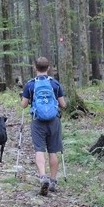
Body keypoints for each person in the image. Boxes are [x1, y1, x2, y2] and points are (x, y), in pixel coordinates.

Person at [21, 57, 67, 195]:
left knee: (39, 150)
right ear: (48, 68)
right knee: (53, 151)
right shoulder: (55, 84)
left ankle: (42, 177)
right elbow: (63, 104)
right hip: (54, 121)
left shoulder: (30, 85)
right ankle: (52, 181)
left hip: (37, 121)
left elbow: (23, 104)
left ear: (35, 68)